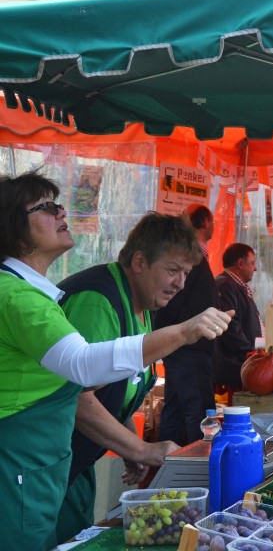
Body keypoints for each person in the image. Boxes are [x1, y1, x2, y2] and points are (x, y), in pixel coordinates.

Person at [0, 172, 231, 550]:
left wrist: (130, 443)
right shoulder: (23, 297)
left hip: (45, 466)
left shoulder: (35, 295)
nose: (62, 212)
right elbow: (83, 371)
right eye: (46, 206)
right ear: (13, 226)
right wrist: (184, 333)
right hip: (20, 469)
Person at [55, 212, 200, 543]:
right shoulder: (98, 300)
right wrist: (143, 450)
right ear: (139, 261)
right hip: (45, 469)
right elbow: (77, 397)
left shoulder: (142, 304)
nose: (180, 283)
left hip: (75, 466)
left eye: (186, 273)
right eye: (173, 270)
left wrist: (132, 448)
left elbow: (122, 387)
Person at [156, 203, 220, 446]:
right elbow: (174, 300)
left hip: (183, 344)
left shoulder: (197, 256)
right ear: (205, 222)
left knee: (175, 407)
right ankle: (198, 467)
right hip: (188, 346)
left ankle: (166, 463)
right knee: (198, 412)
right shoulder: (189, 254)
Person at [214, 243, 264, 390]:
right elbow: (229, 325)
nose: (255, 268)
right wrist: (249, 352)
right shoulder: (226, 285)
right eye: (252, 263)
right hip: (234, 364)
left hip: (244, 361)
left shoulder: (236, 285)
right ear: (240, 264)